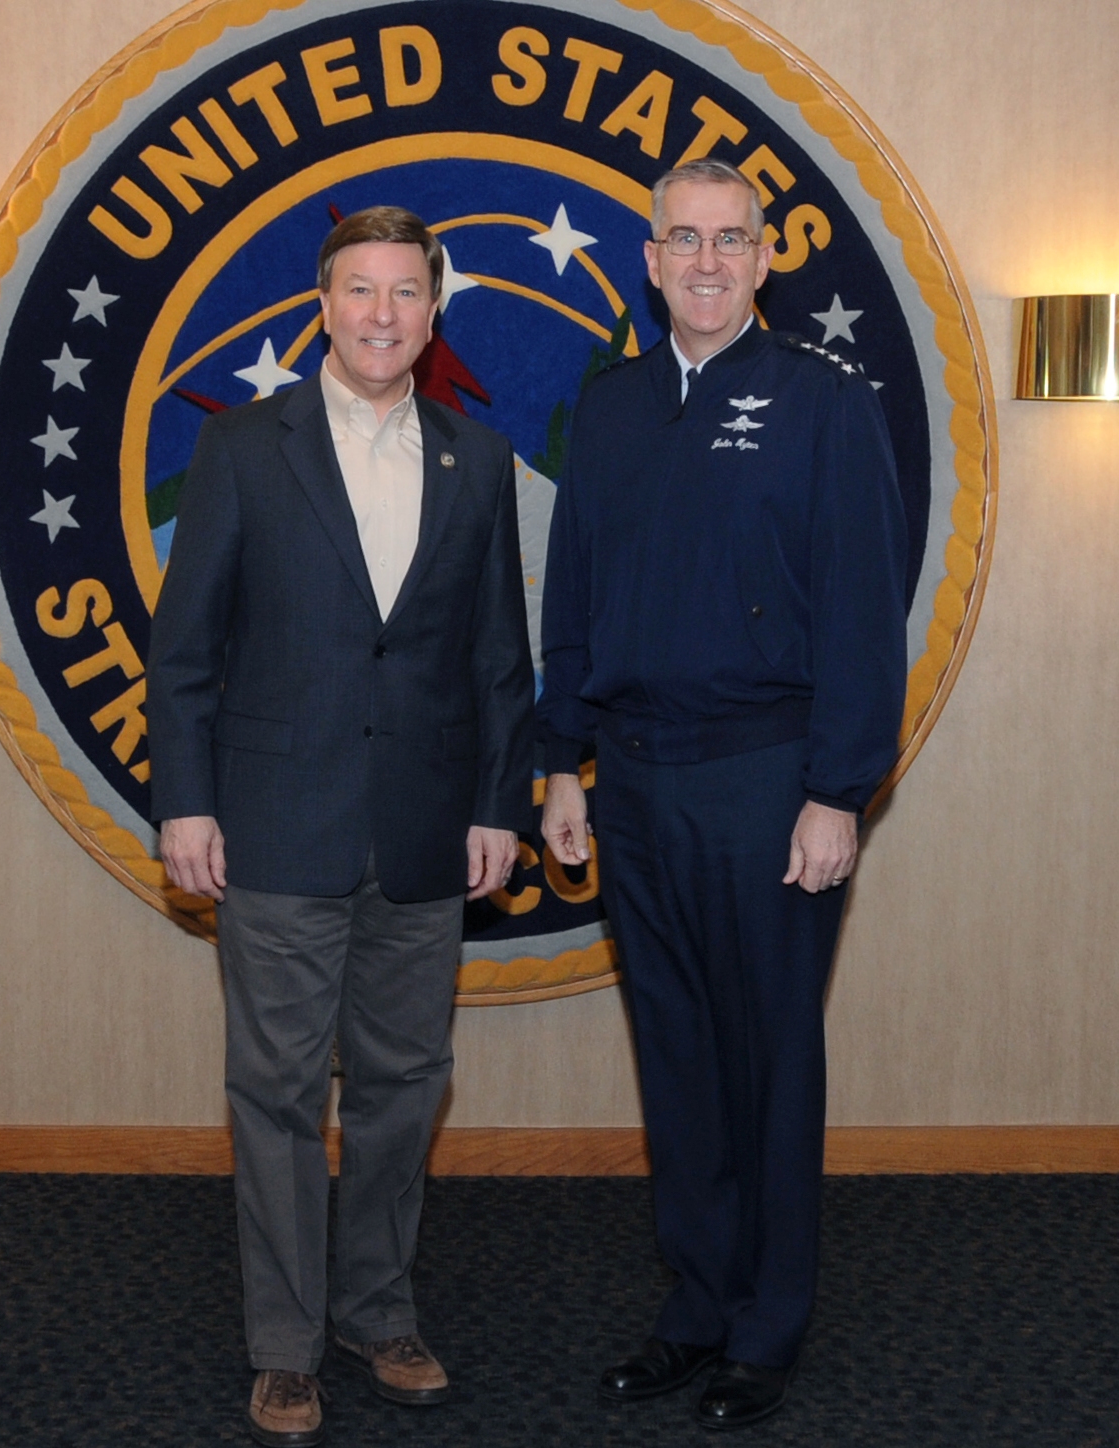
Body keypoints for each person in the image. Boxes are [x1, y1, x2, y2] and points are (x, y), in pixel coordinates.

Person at [146, 205, 533, 1448]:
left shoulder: (477, 460)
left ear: (434, 309)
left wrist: (495, 806)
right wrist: (187, 799)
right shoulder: (246, 448)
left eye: (405, 292)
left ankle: (378, 1309)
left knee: (403, 1088)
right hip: (273, 827)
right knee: (272, 1093)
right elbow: (187, 648)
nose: (381, 313)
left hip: (424, 837)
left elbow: (496, 664)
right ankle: (283, 1344)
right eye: (359, 290)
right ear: (322, 304)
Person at [539, 159, 907, 1431]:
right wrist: (557, 761)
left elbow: (865, 615)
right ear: (647, 259)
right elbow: (572, 600)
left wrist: (836, 791)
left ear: (763, 260)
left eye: (729, 240)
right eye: (681, 239)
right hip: (633, 783)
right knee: (679, 1055)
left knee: (769, 1058)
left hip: (769, 782)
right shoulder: (614, 405)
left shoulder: (823, 405)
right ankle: (695, 1305)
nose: (704, 260)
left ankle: (768, 1323)